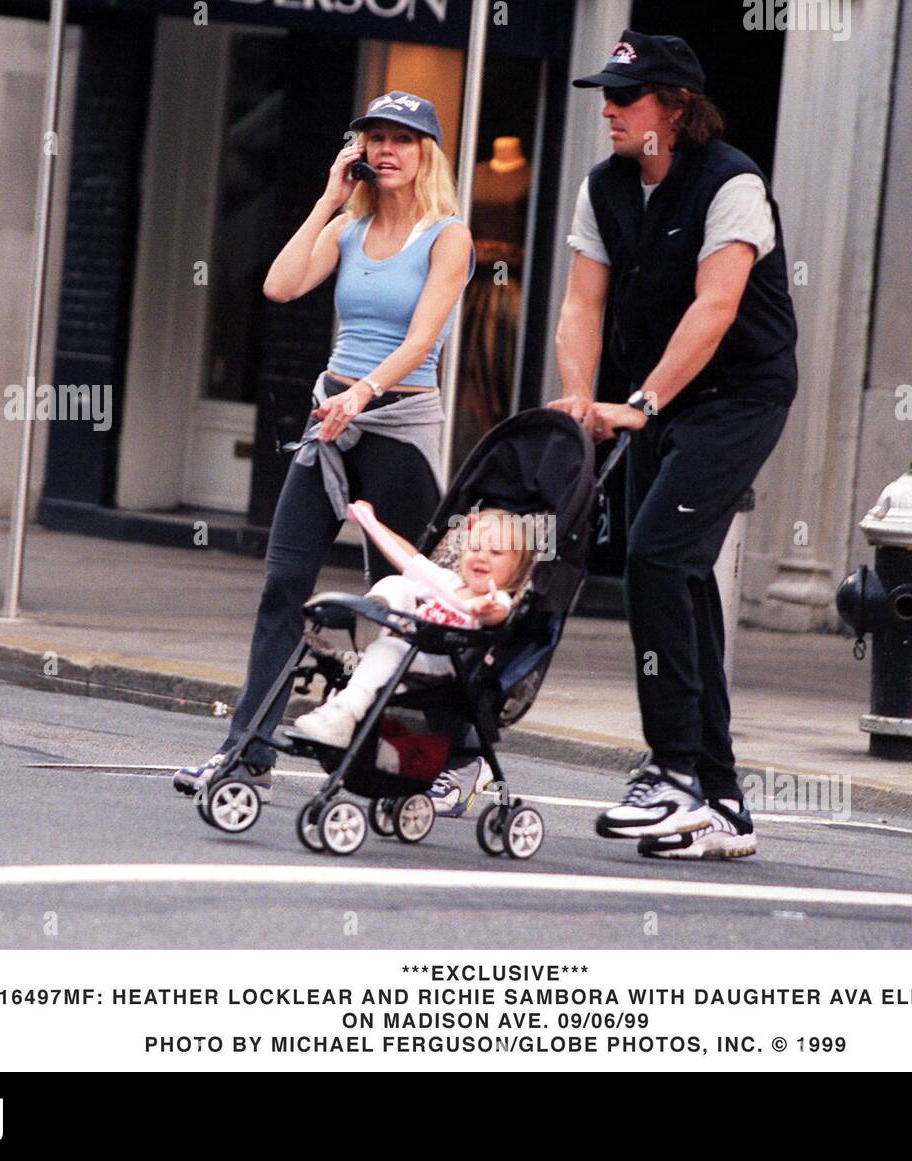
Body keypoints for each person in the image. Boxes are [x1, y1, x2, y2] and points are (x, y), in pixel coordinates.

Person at [172, 91, 475, 799]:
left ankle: (448, 756)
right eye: (375, 138)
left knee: (406, 601)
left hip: (397, 425)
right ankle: (245, 752)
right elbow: (279, 286)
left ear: (426, 152)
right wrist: (327, 201)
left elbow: (423, 341)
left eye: (402, 139)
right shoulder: (347, 228)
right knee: (283, 584)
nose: (386, 150)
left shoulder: (447, 235)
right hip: (330, 420)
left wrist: (363, 394)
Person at [549, 31, 798, 859]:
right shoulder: (606, 187)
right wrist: (584, 396)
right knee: (681, 574)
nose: (610, 108)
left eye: (628, 95)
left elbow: (716, 305)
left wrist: (646, 401)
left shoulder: (732, 182)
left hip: (737, 394)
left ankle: (675, 773)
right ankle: (721, 802)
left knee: (656, 554)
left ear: (677, 107)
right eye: (605, 94)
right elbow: (582, 305)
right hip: (651, 402)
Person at [289, 503, 530, 776]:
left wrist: (481, 610)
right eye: (474, 548)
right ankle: (370, 638)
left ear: (517, 567)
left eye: (496, 552)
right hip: (410, 644)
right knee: (398, 583)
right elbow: (410, 559)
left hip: (443, 659)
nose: (481, 557)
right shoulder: (449, 583)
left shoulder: (495, 599)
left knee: (389, 649)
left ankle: (345, 708)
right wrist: (370, 522)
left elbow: (497, 614)